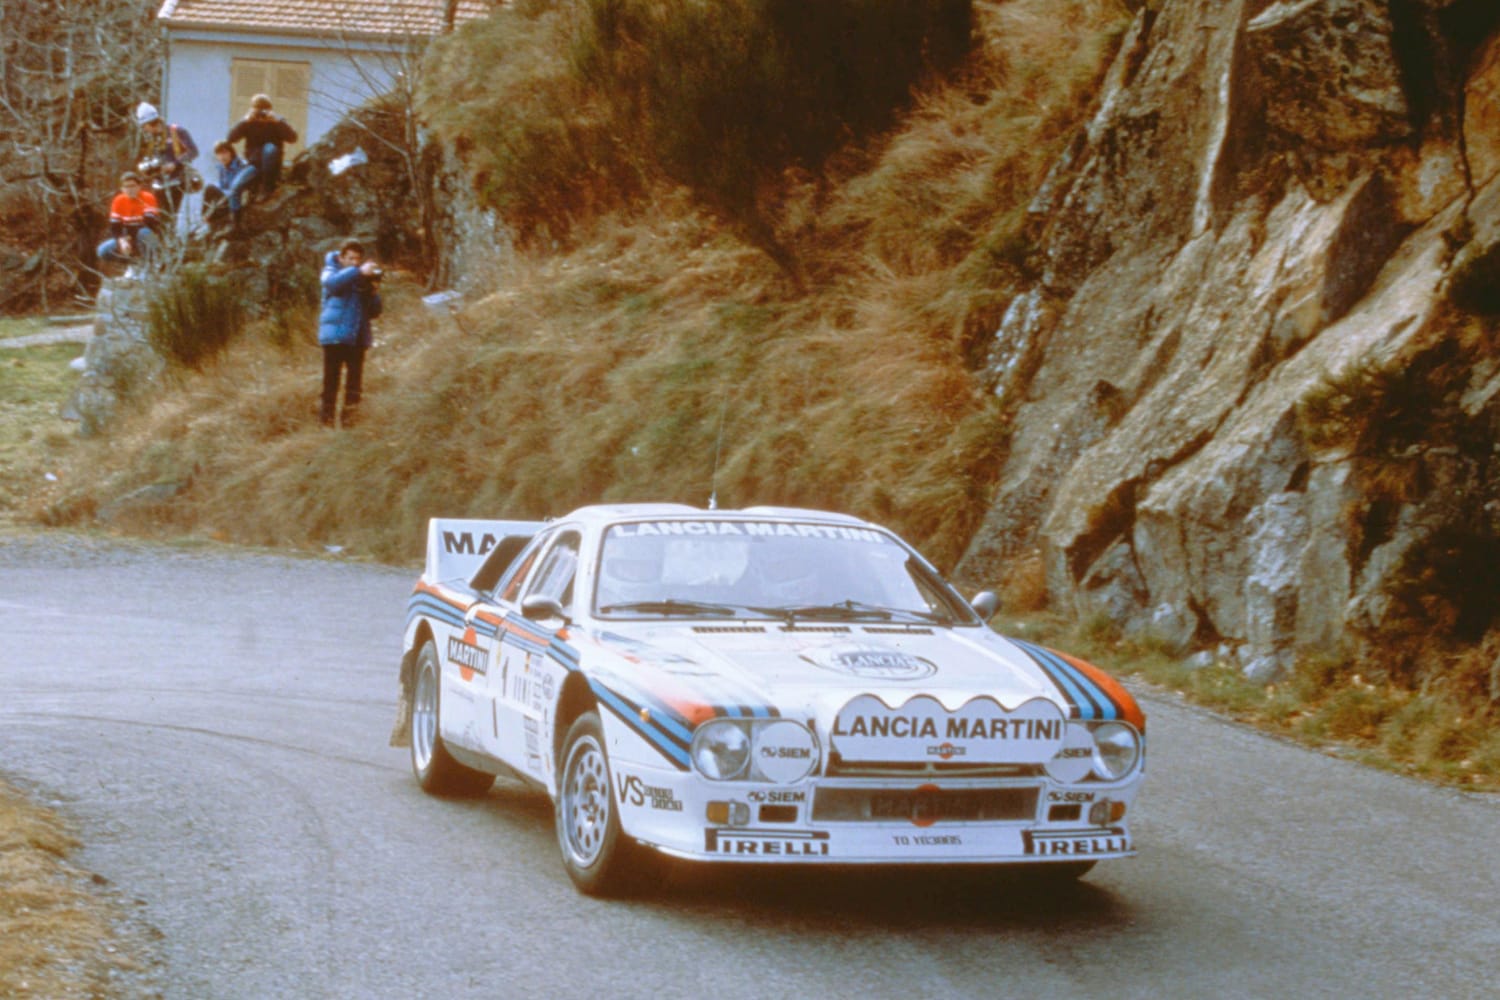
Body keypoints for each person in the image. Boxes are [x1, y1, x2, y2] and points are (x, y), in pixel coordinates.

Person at [318, 239, 383, 427]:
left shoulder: (361, 278)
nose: (354, 262)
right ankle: (326, 424)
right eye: (350, 258)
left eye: (357, 259)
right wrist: (359, 272)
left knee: (354, 385)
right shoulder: (331, 271)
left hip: (356, 338)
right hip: (335, 336)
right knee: (331, 382)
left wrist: (373, 292)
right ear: (341, 258)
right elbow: (333, 285)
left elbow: (374, 312)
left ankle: (350, 424)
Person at [135, 102, 200, 218]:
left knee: (169, 218)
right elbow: (147, 158)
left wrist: (175, 164)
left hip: (176, 181)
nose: (145, 130)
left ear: (150, 124)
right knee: (155, 217)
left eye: (145, 127)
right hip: (158, 184)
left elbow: (193, 151)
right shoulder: (150, 139)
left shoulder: (176, 131)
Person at [227, 94, 297, 195]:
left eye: (264, 111)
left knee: (269, 148)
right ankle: (236, 210)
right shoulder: (248, 122)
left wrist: (278, 122)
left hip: (272, 166)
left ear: (270, 110)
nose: (261, 116)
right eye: (258, 111)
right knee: (235, 187)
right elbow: (230, 138)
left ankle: (268, 187)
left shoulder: (276, 121)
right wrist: (244, 121)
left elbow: (292, 138)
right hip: (254, 164)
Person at [95, 171, 160, 276]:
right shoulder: (118, 201)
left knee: (144, 232)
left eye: (132, 186)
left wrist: (128, 237)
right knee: (102, 251)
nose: (130, 190)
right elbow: (115, 227)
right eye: (126, 187)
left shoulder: (148, 197)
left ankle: (150, 265)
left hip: (149, 237)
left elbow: (150, 224)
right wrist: (122, 240)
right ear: (122, 189)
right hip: (129, 238)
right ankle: (134, 264)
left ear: (139, 186)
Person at [201, 140, 257, 230]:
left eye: (225, 153)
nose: (222, 157)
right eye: (219, 154)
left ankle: (211, 218)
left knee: (210, 189)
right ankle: (207, 218)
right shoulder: (222, 168)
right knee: (210, 190)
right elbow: (223, 186)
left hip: (238, 201)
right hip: (227, 198)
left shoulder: (240, 164)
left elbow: (238, 187)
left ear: (231, 153)